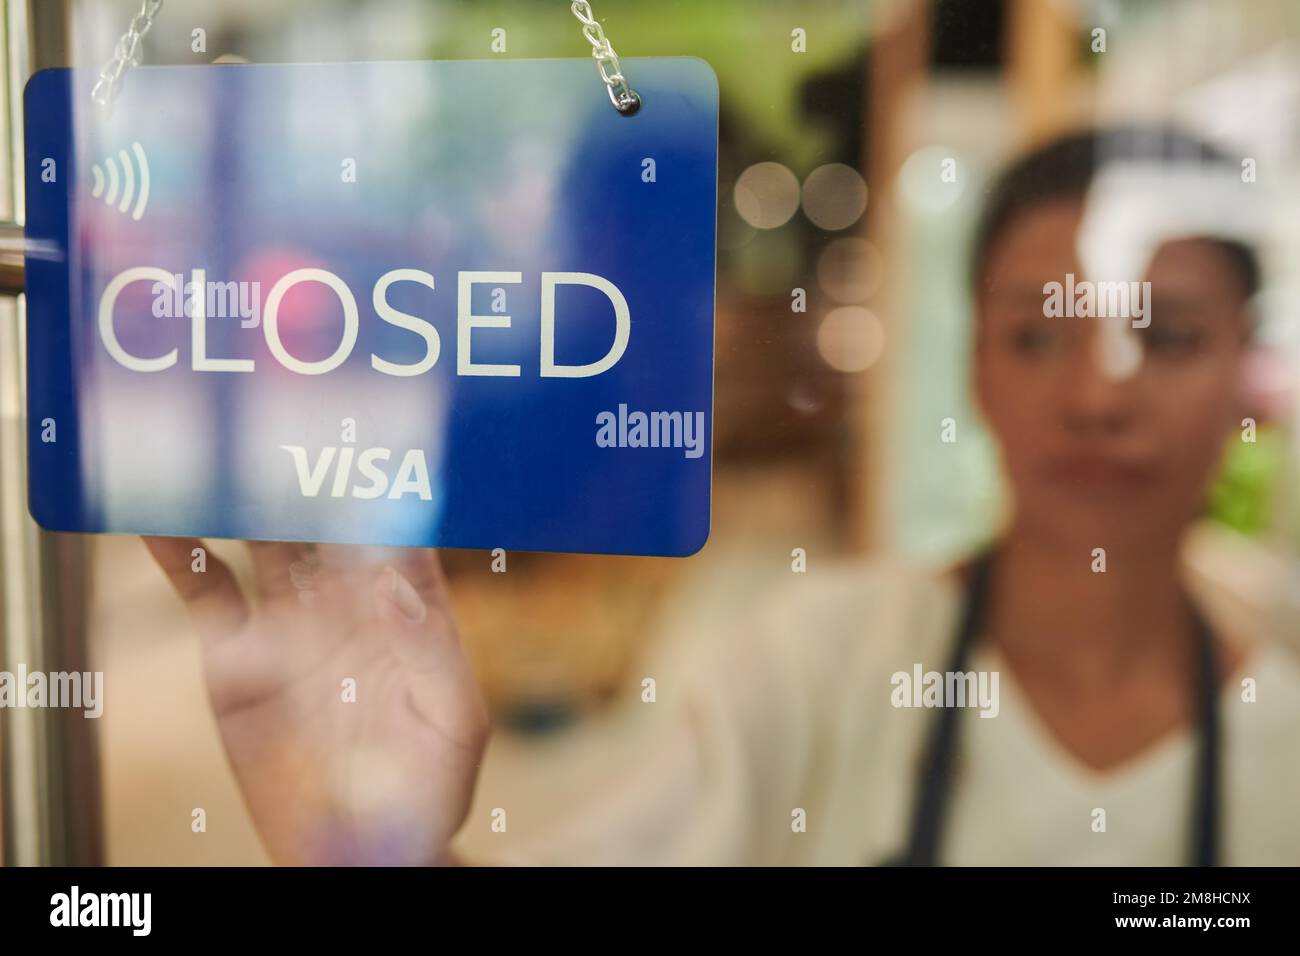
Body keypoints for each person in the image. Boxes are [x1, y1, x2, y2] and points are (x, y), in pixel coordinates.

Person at [144, 125, 1300, 866]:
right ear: (974, 366)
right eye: (1040, 332)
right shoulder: (822, 662)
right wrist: (361, 837)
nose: (1099, 395)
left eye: (1167, 332)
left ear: (1249, 370)